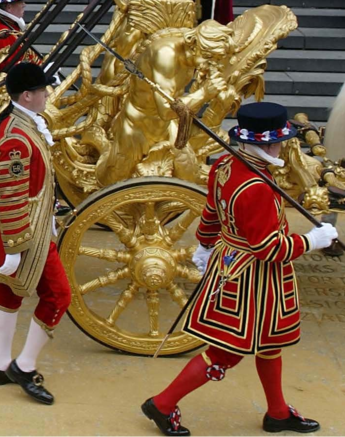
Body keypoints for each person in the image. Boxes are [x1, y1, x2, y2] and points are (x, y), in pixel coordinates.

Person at [142, 102, 334, 436]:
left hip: (231, 263)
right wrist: (312, 241)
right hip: (251, 277)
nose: (281, 146)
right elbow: (268, 248)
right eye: (278, 141)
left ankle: (276, 412)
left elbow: (212, 212)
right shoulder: (257, 186)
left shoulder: (226, 165)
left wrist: (204, 243)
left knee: (269, 342)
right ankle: (162, 404)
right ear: (265, 144)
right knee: (225, 353)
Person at [0, 61, 66, 405]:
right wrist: (15, 248)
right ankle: (24, 364)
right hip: (24, 233)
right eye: (43, 90)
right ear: (28, 95)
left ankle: (0, 365)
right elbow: (13, 197)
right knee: (59, 296)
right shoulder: (17, 139)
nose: (48, 94)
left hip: (23, 228)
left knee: (11, 292)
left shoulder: (22, 125)